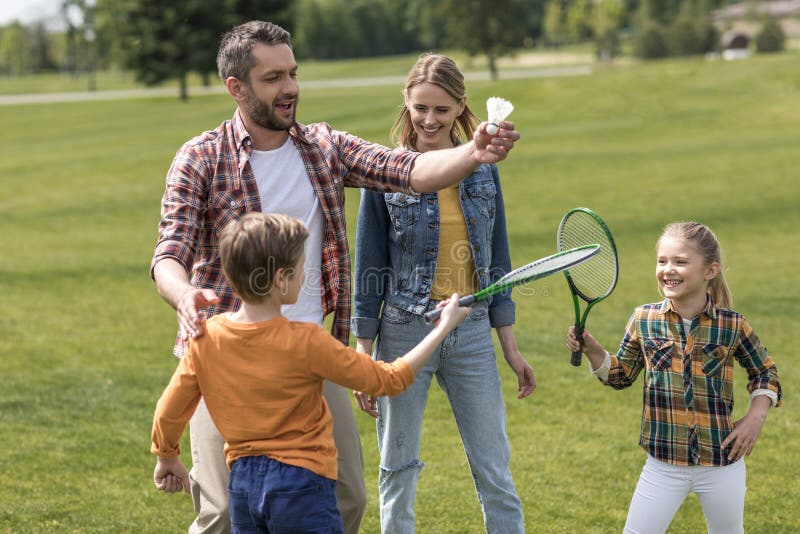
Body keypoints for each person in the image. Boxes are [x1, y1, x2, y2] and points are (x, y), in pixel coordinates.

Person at [150, 21, 521, 534]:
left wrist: (473, 154)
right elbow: (169, 252)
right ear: (237, 87)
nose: (290, 89)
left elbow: (405, 169)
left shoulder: (323, 146)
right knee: (224, 512)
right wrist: (184, 293)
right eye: (273, 78)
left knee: (346, 499)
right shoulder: (200, 158)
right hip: (229, 356)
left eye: (293, 74)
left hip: (309, 352)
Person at [151, 212, 472, 533]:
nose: (306, 277)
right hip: (302, 485)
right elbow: (389, 378)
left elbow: (170, 408)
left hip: (243, 486)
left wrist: (167, 456)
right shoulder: (306, 341)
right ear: (280, 279)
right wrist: (442, 328)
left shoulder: (206, 338)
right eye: (301, 268)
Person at [351, 54, 535, 534]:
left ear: (460, 108)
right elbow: (369, 264)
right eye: (420, 108)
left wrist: (509, 348)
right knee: (398, 466)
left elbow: (497, 259)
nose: (429, 120)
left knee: (495, 469)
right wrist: (363, 351)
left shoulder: (482, 168)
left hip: (471, 331)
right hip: (403, 332)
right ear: (406, 105)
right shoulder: (386, 170)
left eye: (441, 109)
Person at [566, 221, 782, 534]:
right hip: (663, 465)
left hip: (722, 462)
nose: (669, 269)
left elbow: (765, 372)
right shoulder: (644, 319)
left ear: (710, 271)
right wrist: (592, 348)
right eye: (662, 261)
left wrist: (755, 417)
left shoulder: (732, 325)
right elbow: (620, 375)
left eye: (680, 262)